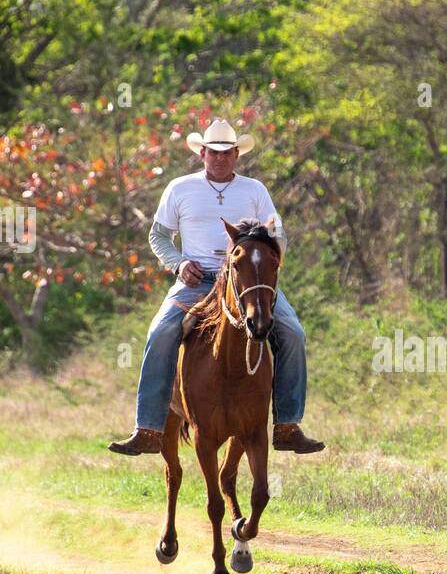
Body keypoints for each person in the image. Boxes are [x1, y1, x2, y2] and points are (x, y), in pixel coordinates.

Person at [108, 118, 325, 456]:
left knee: (293, 332)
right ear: (202, 153)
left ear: (237, 154)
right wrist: (179, 263)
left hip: (247, 283)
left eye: (227, 153)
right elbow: (158, 236)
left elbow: (277, 235)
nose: (220, 158)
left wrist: (266, 261)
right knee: (160, 332)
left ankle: (287, 426)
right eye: (214, 152)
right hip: (196, 281)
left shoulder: (255, 190)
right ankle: (148, 428)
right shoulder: (180, 188)